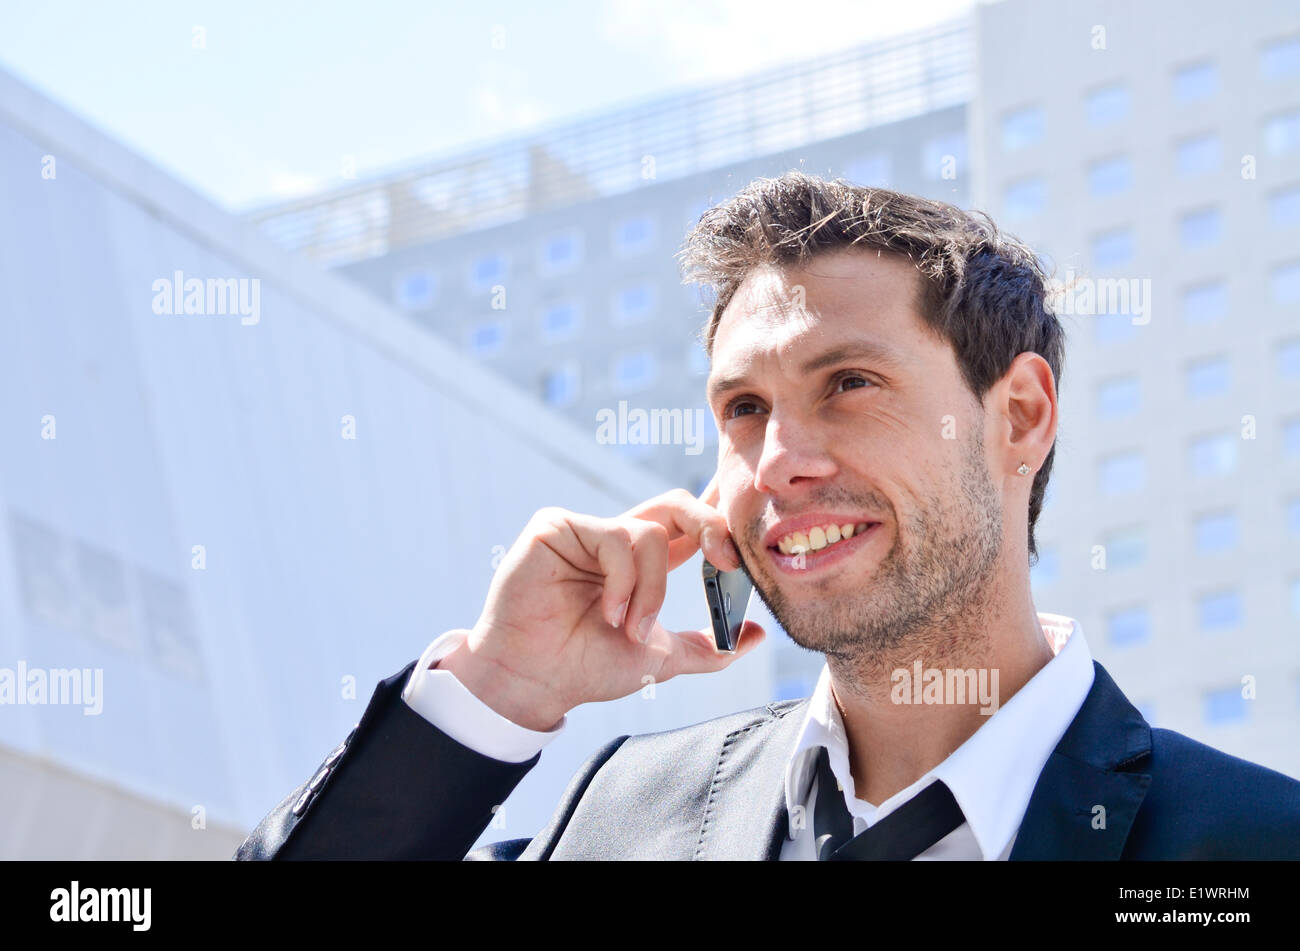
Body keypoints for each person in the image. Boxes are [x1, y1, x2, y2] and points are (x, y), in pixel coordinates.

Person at [236, 171, 1300, 860]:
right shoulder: (625, 819)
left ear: (1017, 416)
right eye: (744, 409)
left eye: (847, 383)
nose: (779, 463)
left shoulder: (1253, 847)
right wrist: (500, 693)